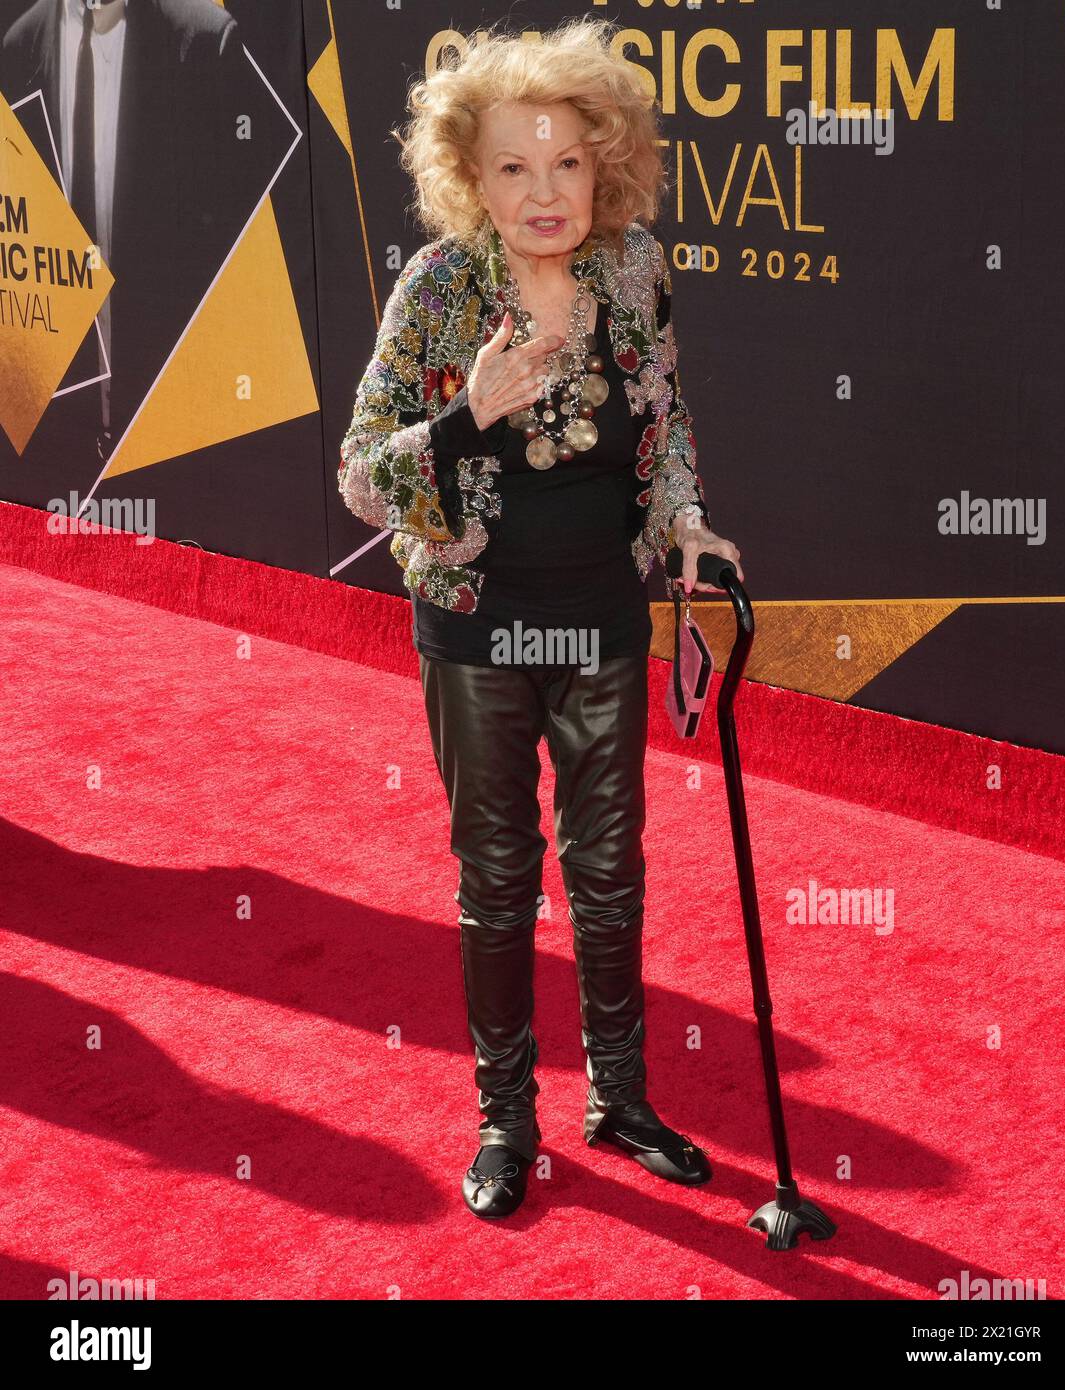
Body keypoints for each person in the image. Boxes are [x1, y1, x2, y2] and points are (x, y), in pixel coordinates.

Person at [338, 16, 743, 1220]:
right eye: (513, 166)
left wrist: (685, 523)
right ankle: (505, 1118)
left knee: (609, 873)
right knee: (499, 878)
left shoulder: (634, 270)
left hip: (603, 620)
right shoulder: (437, 289)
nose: (545, 191)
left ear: (603, 161)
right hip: (477, 627)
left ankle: (617, 1097)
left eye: (567, 161)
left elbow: (664, 422)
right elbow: (359, 475)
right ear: (471, 176)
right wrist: (462, 419)